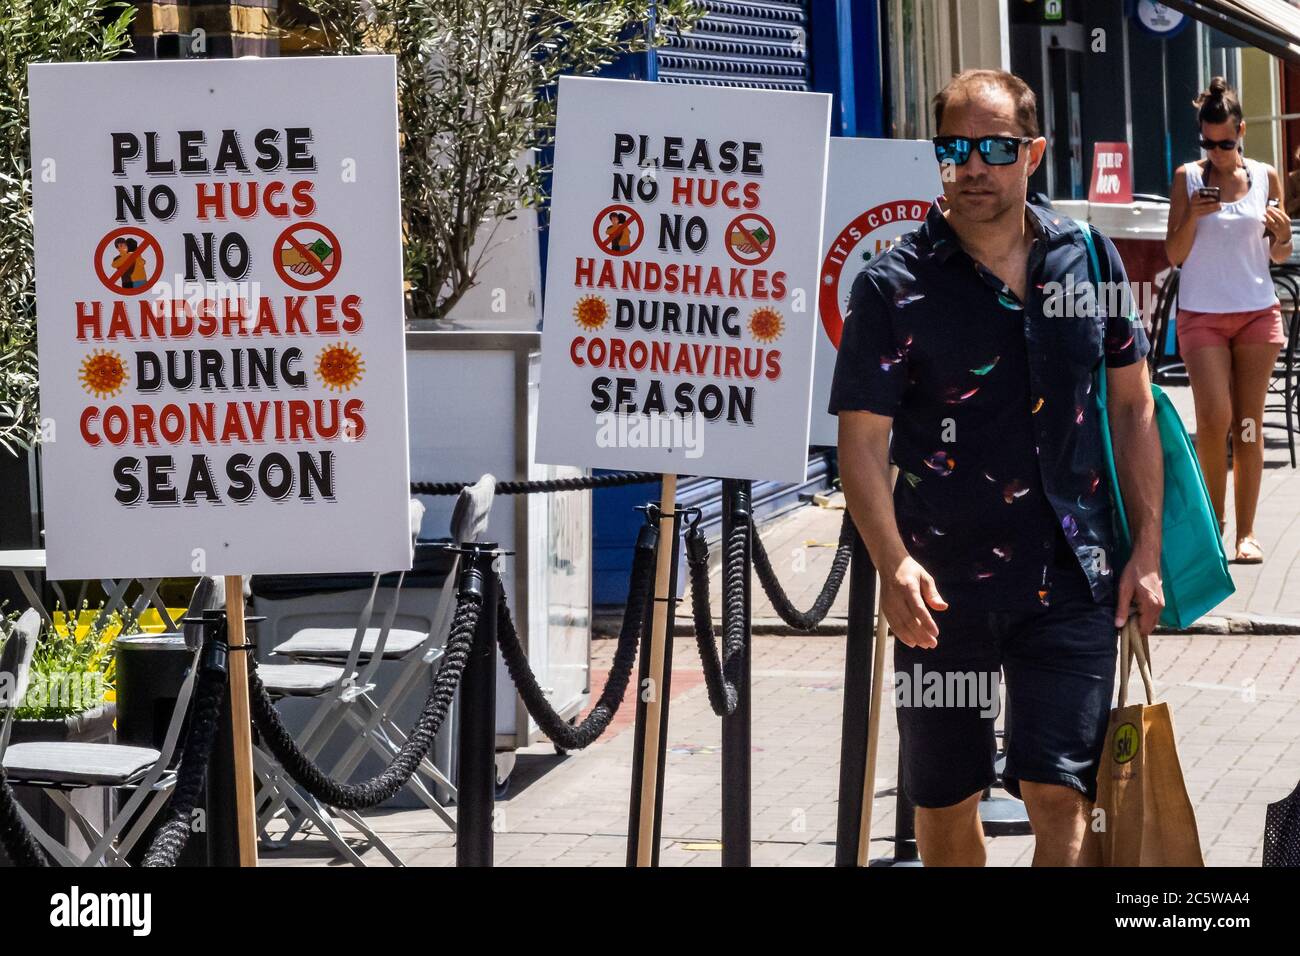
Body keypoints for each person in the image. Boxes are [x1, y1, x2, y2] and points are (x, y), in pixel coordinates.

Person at [830, 69, 1164, 866]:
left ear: (1034, 152)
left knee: (1062, 796)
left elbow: (1133, 406)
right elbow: (863, 441)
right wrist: (893, 562)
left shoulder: (1089, 262)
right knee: (945, 804)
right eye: (955, 147)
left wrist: (1145, 550)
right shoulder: (892, 285)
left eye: (995, 147)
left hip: (1073, 576)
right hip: (943, 590)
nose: (973, 165)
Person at [1165, 77, 1291, 564]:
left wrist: (1282, 237)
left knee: (1248, 425)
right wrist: (1193, 216)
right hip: (1202, 316)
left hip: (1257, 311)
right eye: (1207, 142)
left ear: (1240, 132)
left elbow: (1279, 255)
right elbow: (1175, 255)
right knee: (1214, 419)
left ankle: (1248, 532)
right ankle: (1213, 523)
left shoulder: (1265, 177)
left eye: (1225, 142)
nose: (1216, 152)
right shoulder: (1187, 179)